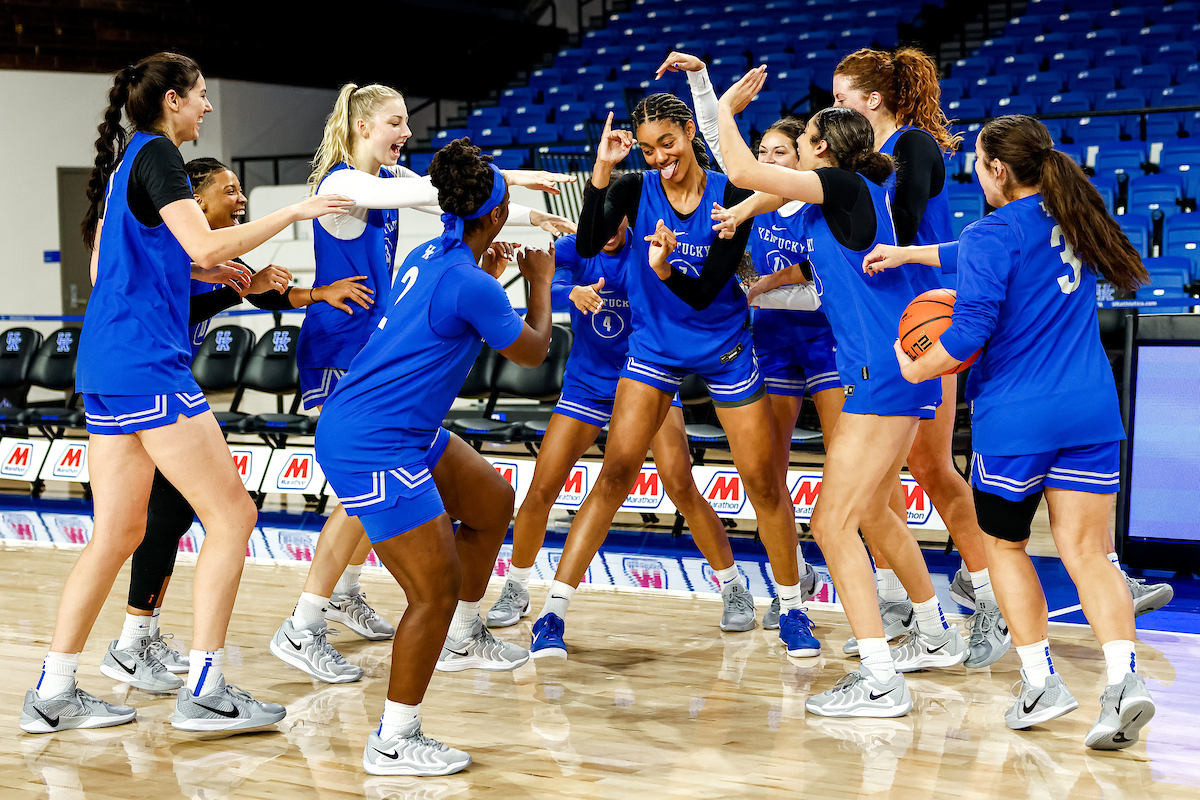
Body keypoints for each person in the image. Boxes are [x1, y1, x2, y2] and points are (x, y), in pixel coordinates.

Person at [20, 52, 353, 735]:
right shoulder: (160, 157)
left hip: (106, 368)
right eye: (200, 96)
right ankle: (204, 687)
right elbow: (199, 242)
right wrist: (296, 208)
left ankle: (53, 690)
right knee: (233, 516)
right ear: (173, 99)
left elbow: (167, 262)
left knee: (117, 532)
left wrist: (234, 280)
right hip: (147, 366)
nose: (206, 106)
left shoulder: (129, 165)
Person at [270, 82, 574, 684]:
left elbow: (450, 197)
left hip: (376, 361)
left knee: (465, 500)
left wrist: (510, 196)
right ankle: (308, 622)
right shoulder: (344, 183)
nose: (405, 133)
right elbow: (443, 190)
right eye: (395, 122)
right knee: (360, 503)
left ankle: (349, 594)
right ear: (361, 127)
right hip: (342, 350)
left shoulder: (426, 234)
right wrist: (517, 184)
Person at [887, 114, 1154, 749]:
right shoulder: (1072, 218)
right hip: (1090, 409)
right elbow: (983, 252)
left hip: (1016, 420)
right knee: (1089, 554)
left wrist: (913, 366)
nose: (973, 173)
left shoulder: (991, 233)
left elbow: (966, 336)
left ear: (997, 171)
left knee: (1005, 548)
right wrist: (913, 252)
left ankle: (1041, 681)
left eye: (977, 163)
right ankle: (1123, 681)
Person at [528, 94, 820, 662]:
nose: (660, 156)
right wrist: (603, 171)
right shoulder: (635, 188)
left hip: (725, 345)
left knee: (762, 483)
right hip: (655, 349)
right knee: (614, 474)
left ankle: (791, 607)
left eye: (668, 142)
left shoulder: (730, 191)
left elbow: (709, 287)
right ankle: (552, 613)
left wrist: (662, 267)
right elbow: (588, 243)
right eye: (647, 148)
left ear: (690, 132)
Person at [713, 67, 965, 717]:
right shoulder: (853, 192)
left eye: (805, 141)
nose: (796, 153)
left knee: (831, 521)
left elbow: (745, 172)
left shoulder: (843, 184)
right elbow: (762, 200)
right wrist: (744, 215)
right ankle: (934, 633)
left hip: (883, 375)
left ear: (820, 149)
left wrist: (718, 107)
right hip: (880, 372)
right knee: (876, 512)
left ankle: (881, 677)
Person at [314, 138, 556, 775]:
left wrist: (496, 275)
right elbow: (532, 352)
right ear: (496, 216)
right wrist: (541, 285)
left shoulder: (431, 254)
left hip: (398, 427)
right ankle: (394, 738)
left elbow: (452, 313)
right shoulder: (470, 280)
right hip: (372, 443)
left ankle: (464, 637)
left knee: (492, 500)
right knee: (434, 589)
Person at [99, 156, 376, 691]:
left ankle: (137, 637)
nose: (241, 198)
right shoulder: (178, 246)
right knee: (169, 517)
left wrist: (317, 294)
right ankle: (138, 645)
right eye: (230, 190)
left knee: (167, 514)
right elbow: (177, 310)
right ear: (196, 202)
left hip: (147, 384)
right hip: (144, 382)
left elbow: (265, 289)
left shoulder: (214, 256)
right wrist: (240, 288)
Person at [485, 218, 756, 635]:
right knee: (541, 489)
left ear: (629, 215)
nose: (609, 229)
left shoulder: (651, 245)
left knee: (680, 484)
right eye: (602, 221)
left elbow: (685, 293)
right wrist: (570, 291)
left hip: (650, 379)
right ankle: (517, 586)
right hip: (587, 382)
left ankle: (734, 586)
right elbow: (549, 285)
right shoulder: (576, 246)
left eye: (618, 221)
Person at [831, 46, 1009, 669]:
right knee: (890, 483)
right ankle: (916, 609)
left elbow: (901, 230)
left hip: (923, 323)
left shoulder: (915, 148)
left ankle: (989, 602)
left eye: (840, 95)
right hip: (887, 323)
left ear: (871, 100)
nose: (833, 106)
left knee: (932, 468)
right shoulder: (874, 159)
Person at [659, 52, 833, 630]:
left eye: (779, 154)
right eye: (761, 155)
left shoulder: (816, 199)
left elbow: (813, 271)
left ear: (801, 160)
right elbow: (718, 151)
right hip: (774, 342)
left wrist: (769, 281)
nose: (766, 162)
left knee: (849, 469)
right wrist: (707, 92)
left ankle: (881, 584)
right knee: (767, 474)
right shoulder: (748, 209)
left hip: (828, 341)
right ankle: (795, 572)